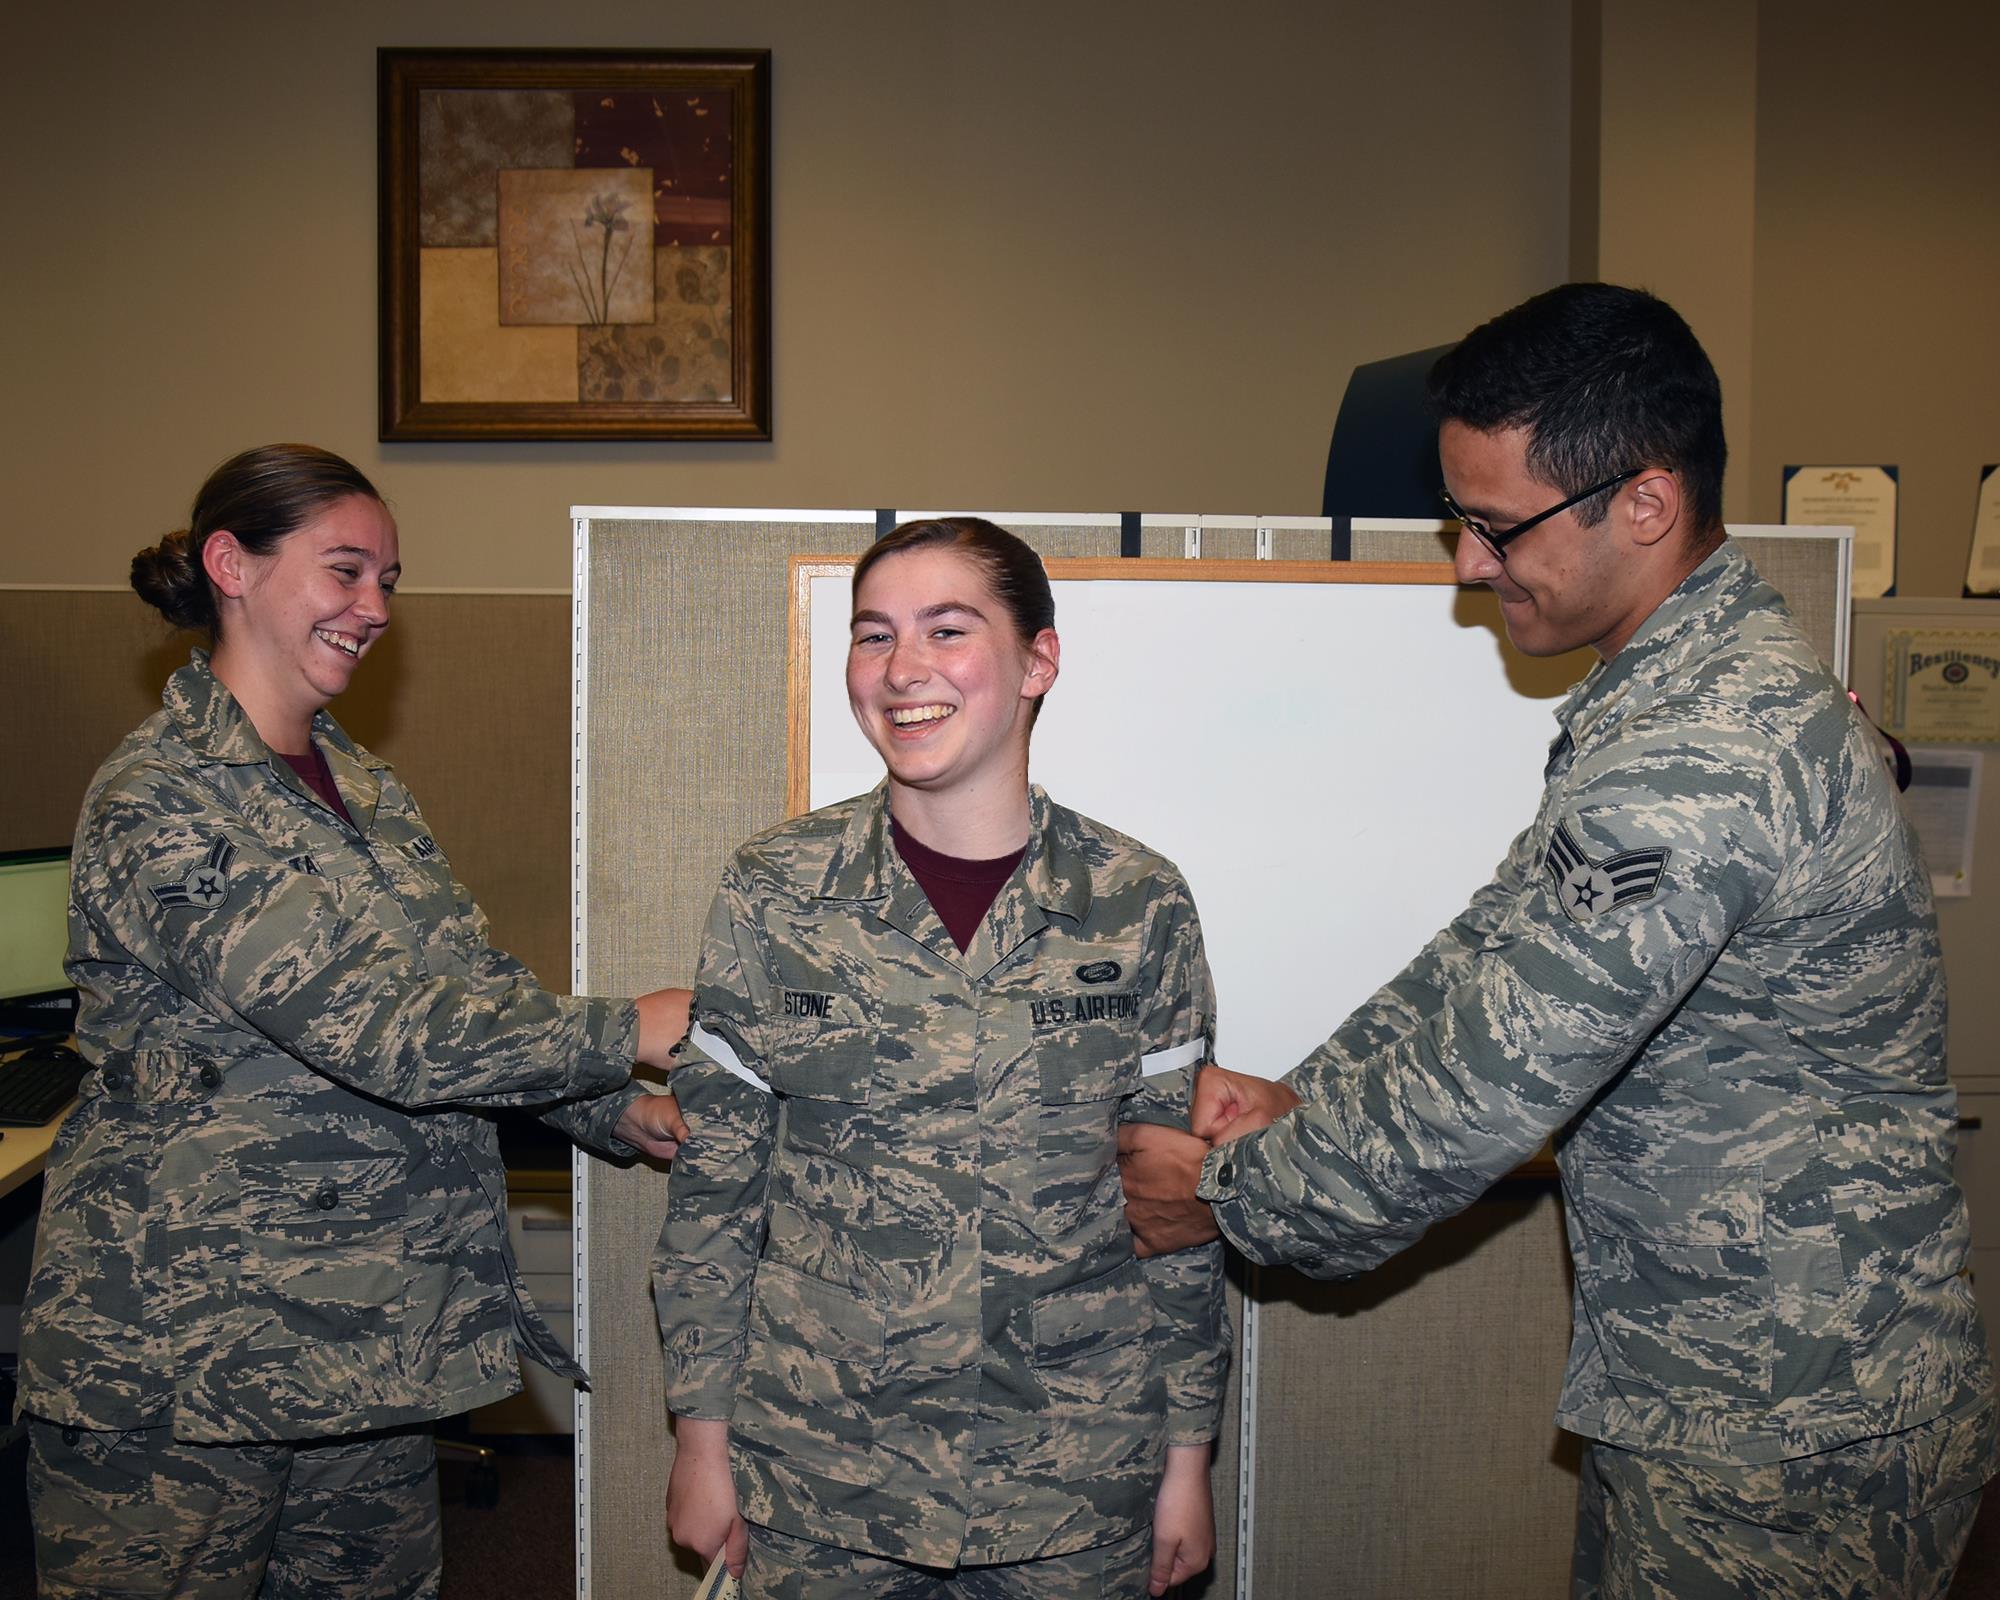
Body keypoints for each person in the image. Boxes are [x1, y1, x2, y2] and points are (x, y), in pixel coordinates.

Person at [1118, 284, 1998, 1597]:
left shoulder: (1706, 753)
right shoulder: (1672, 695)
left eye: (1494, 525)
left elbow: (1480, 1088)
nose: (1469, 563)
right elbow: (1496, 950)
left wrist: (1220, 1188)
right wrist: (1310, 1096)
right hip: (1732, 1396)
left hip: (1790, 1432)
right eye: (1456, 520)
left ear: (1644, 504)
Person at [15, 443, 692, 1599]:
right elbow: (382, 1027)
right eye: (343, 571)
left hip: (359, 1342)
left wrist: (615, 1111)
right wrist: (624, 1023)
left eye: (388, 579)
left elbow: (464, 991)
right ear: (232, 564)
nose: (373, 607)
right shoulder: (162, 797)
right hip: (184, 1354)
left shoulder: (362, 785)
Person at [653, 517, 1229, 1598]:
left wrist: (1185, 1458)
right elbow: (715, 1191)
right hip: (823, 1471)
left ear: (1036, 660)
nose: (902, 668)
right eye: (872, 636)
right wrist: (701, 1438)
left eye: (945, 629)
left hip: (1071, 1475)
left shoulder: (1136, 902)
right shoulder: (775, 891)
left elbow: (1174, 1211)